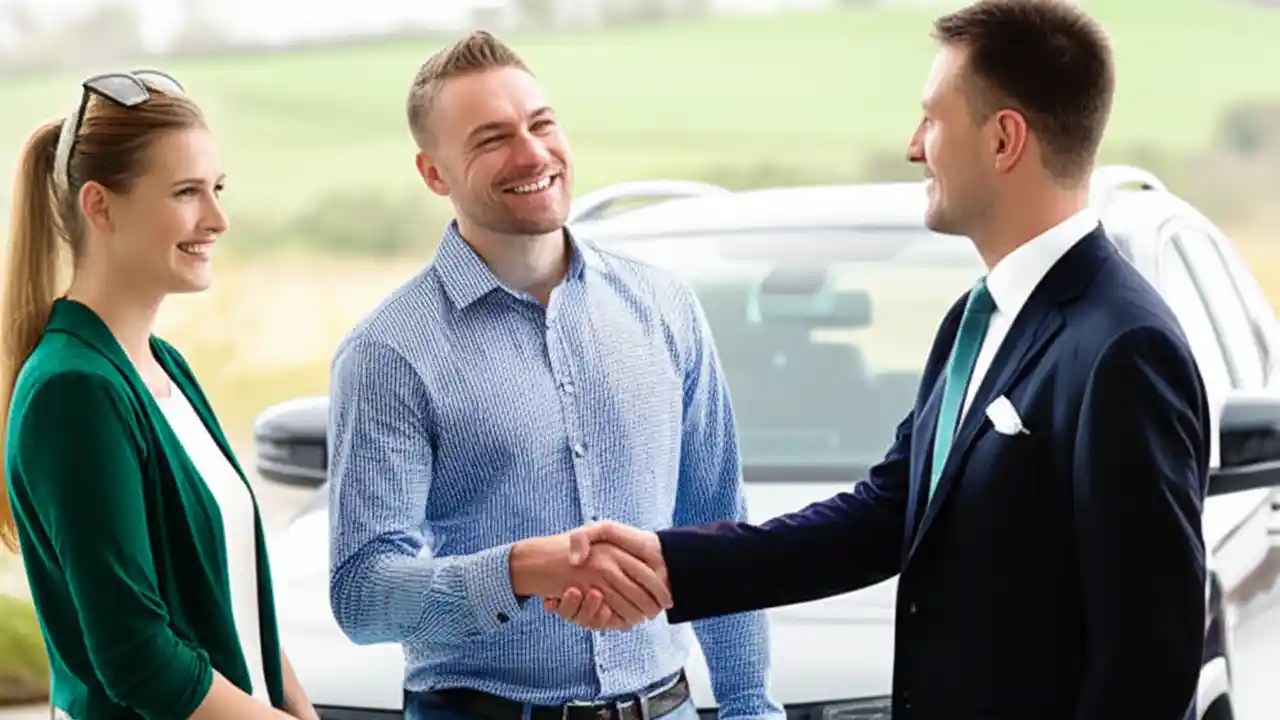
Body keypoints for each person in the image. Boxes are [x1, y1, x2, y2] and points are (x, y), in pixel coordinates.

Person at [550, 1, 1211, 718]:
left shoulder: (1124, 348)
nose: (913, 146)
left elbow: (1148, 660)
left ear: (1004, 140)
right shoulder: (973, 320)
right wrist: (668, 563)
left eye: (932, 118)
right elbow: (886, 516)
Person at [325, 30, 782, 720]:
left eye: (541, 124)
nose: (533, 153)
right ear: (433, 173)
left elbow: (715, 517)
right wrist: (520, 571)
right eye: (491, 139)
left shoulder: (665, 307)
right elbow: (363, 594)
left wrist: (750, 704)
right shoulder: (389, 352)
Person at [0, 70, 317, 720]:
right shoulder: (73, 391)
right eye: (186, 193)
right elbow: (138, 658)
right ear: (100, 206)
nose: (218, 218)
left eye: (217, 189)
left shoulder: (164, 366)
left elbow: (239, 603)